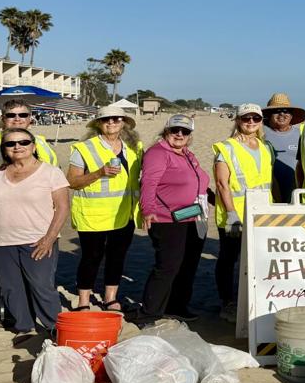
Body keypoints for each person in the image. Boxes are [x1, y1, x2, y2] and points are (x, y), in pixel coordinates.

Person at [0, 99, 57, 327]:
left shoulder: (42, 143)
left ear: (30, 118)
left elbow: (54, 180)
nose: (17, 119)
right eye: (11, 115)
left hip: (36, 221)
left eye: (23, 115)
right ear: (2, 118)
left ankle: (39, 318)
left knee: (38, 277)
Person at [0, 129, 70, 336]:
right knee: (10, 287)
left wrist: (49, 238)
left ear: (33, 146)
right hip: (0, 242)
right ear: (5, 149)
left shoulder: (51, 172)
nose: (17, 146)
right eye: (10, 144)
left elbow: (63, 207)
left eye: (23, 142)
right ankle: (24, 327)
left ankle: (55, 328)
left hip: (37, 240)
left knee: (41, 286)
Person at [66, 106, 141, 313]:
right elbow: (72, 181)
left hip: (124, 214)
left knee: (117, 257)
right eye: (106, 119)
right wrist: (100, 173)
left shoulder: (134, 148)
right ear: (98, 123)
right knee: (91, 257)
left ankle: (110, 298)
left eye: (116, 119)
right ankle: (83, 300)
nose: (111, 122)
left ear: (123, 122)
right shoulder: (84, 148)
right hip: (93, 214)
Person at [137, 114, 208, 322]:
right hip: (167, 219)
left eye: (185, 131)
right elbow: (148, 183)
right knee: (167, 266)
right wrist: (147, 209)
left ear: (190, 135)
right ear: (166, 131)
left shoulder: (188, 154)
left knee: (188, 265)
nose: (179, 134)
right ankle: (149, 313)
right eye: (175, 130)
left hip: (193, 216)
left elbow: (198, 180)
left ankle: (177, 306)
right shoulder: (157, 153)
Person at [211, 103, 274, 317]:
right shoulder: (226, 148)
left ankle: (252, 299)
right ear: (238, 120)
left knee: (256, 259)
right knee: (229, 258)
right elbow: (221, 184)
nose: (251, 122)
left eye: (255, 119)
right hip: (235, 215)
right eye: (246, 118)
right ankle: (227, 302)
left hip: (261, 213)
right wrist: (231, 213)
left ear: (260, 122)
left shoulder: (264, 147)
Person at [261, 92, 305, 201]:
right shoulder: (259, 132)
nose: (281, 114)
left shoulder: (302, 133)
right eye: (276, 111)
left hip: (296, 191)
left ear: (291, 115)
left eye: (286, 111)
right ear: (269, 114)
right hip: (268, 191)